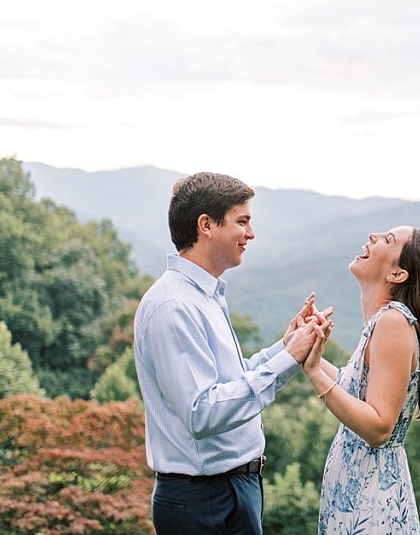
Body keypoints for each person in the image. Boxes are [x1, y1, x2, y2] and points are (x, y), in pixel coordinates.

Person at [133, 172, 331, 535]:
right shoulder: (173, 306)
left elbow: (232, 381)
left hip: (233, 489)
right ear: (206, 225)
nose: (251, 234)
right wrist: (288, 360)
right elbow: (203, 412)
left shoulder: (205, 297)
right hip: (201, 500)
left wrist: (286, 347)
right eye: (242, 221)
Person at [301, 226, 420, 534]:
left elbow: (379, 427)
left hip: (372, 504)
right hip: (358, 496)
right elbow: (352, 387)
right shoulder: (382, 322)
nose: (373, 236)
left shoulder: (393, 323)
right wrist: (307, 354)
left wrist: (315, 374)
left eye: (387, 240)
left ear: (398, 274)